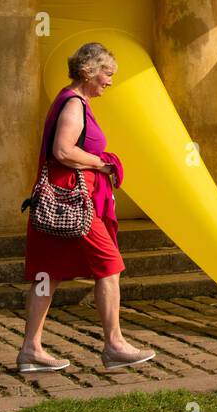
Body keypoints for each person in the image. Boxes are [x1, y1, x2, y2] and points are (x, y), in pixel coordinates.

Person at [16, 42, 156, 373]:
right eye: (107, 73)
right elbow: (63, 151)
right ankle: (115, 345)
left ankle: (30, 351)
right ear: (89, 71)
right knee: (110, 266)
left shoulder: (71, 101)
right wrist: (101, 164)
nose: (110, 80)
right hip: (71, 204)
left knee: (46, 275)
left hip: (54, 205)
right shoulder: (75, 105)